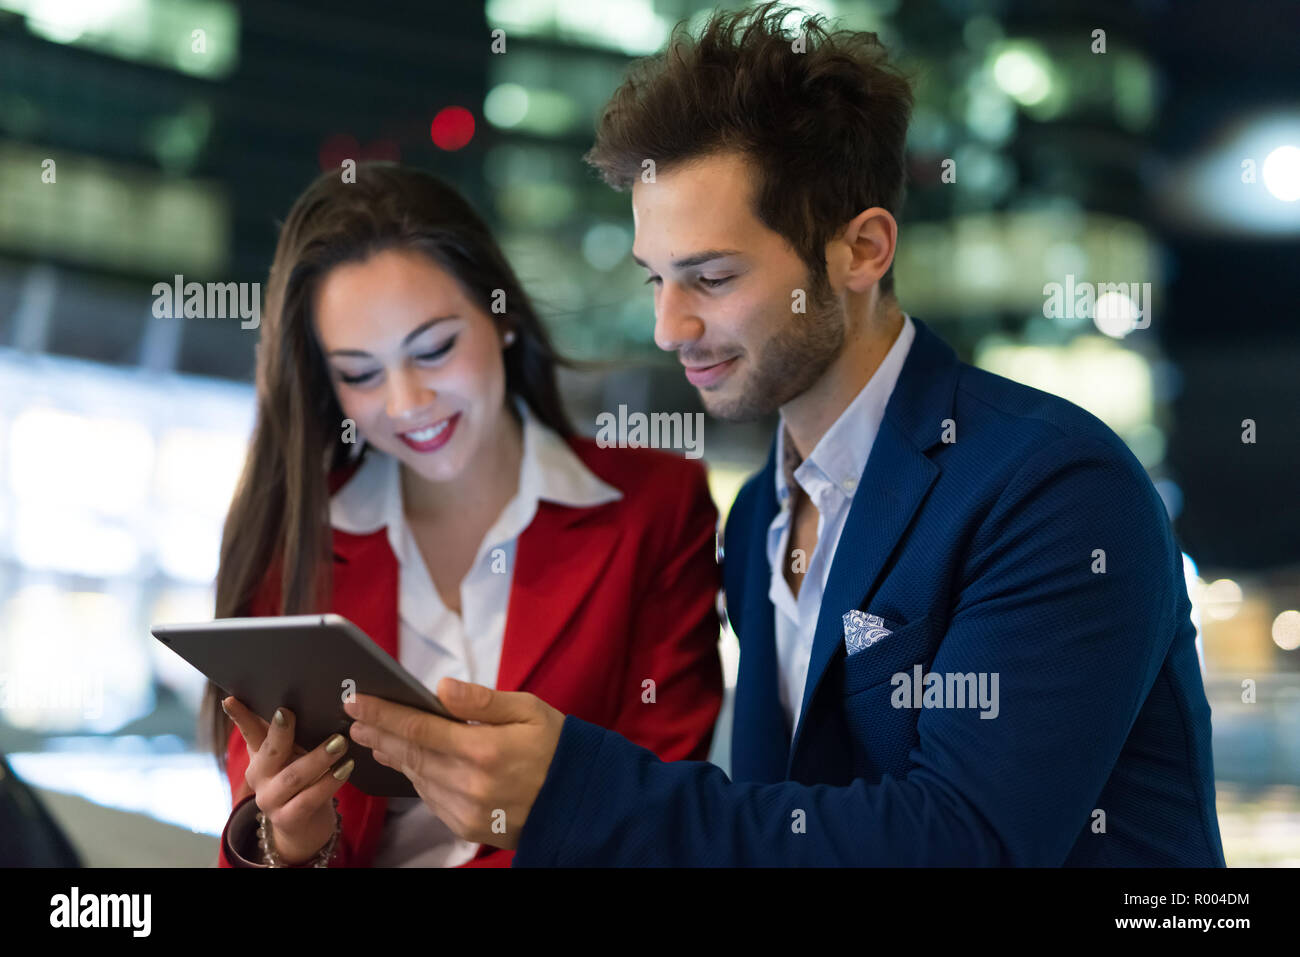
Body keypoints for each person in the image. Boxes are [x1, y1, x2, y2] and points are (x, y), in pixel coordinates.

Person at [340, 2, 1226, 866]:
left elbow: (969, 840)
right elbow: (778, 822)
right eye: (655, 280)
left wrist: (578, 792)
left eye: (712, 278)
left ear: (862, 250)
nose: (670, 327)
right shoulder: (761, 511)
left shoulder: (1054, 488)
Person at [204, 162, 724, 867]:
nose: (407, 403)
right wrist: (292, 843)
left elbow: (659, 816)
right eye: (360, 373)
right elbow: (258, 820)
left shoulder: (656, 506)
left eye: (434, 349)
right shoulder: (294, 540)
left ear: (502, 316)